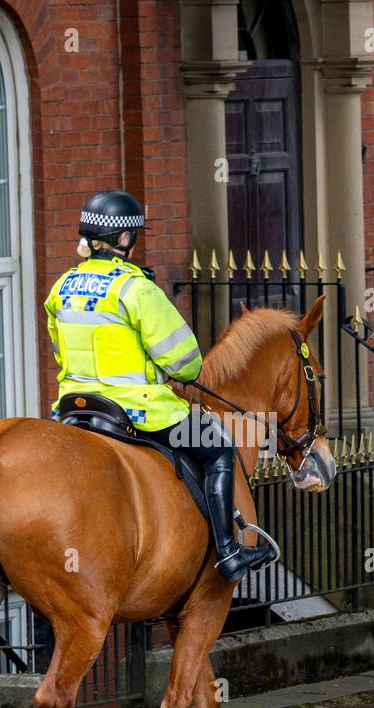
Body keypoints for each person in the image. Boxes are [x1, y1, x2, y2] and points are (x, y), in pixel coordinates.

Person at [44, 189, 278, 582]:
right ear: (124, 239)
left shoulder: (61, 288)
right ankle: (230, 552)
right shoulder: (135, 289)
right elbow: (185, 363)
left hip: (75, 405)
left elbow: (58, 350)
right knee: (218, 446)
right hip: (136, 408)